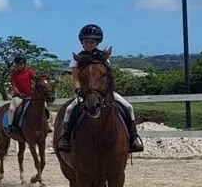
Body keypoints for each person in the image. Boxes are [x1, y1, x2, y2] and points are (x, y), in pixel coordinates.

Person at [56, 24, 144, 153]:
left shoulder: (104, 59)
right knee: (69, 109)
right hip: (85, 92)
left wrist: (106, 90)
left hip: (103, 91)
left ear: (97, 43)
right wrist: (79, 90)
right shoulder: (76, 59)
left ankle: (133, 138)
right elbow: (75, 78)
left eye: (92, 42)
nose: (89, 44)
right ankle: (65, 138)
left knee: (128, 107)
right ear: (82, 43)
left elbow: (109, 78)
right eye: (86, 41)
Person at [8, 54, 36, 127]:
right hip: (18, 97)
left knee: (43, 105)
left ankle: (46, 124)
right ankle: (10, 125)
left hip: (30, 96)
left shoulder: (29, 72)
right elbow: (14, 86)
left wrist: (34, 90)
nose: (19, 66)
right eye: (17, 64)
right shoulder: (14, 74)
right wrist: (19, 93)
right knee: (11, 109)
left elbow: (35, 81)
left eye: (21, 64)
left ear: (24, 64)